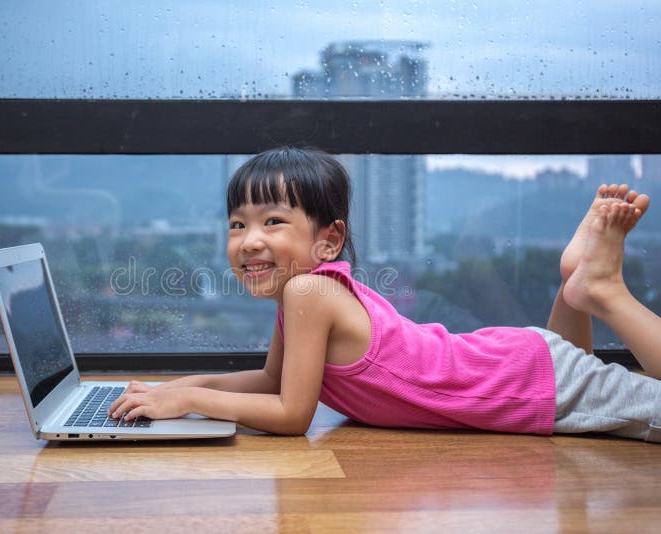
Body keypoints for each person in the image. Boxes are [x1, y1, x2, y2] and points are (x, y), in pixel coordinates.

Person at [109, 147, 660, 442]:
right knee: (585, 373)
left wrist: (188, 401)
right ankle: (577, 287)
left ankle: (600, 289)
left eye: (273, 221)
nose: (249, 240)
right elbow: (274, 382)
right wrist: (177, 387)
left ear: (329, 241)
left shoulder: (307, 292)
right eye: (236, 224)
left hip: (524, 381)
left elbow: (290, 413)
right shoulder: (304, 295)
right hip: (520, 362)